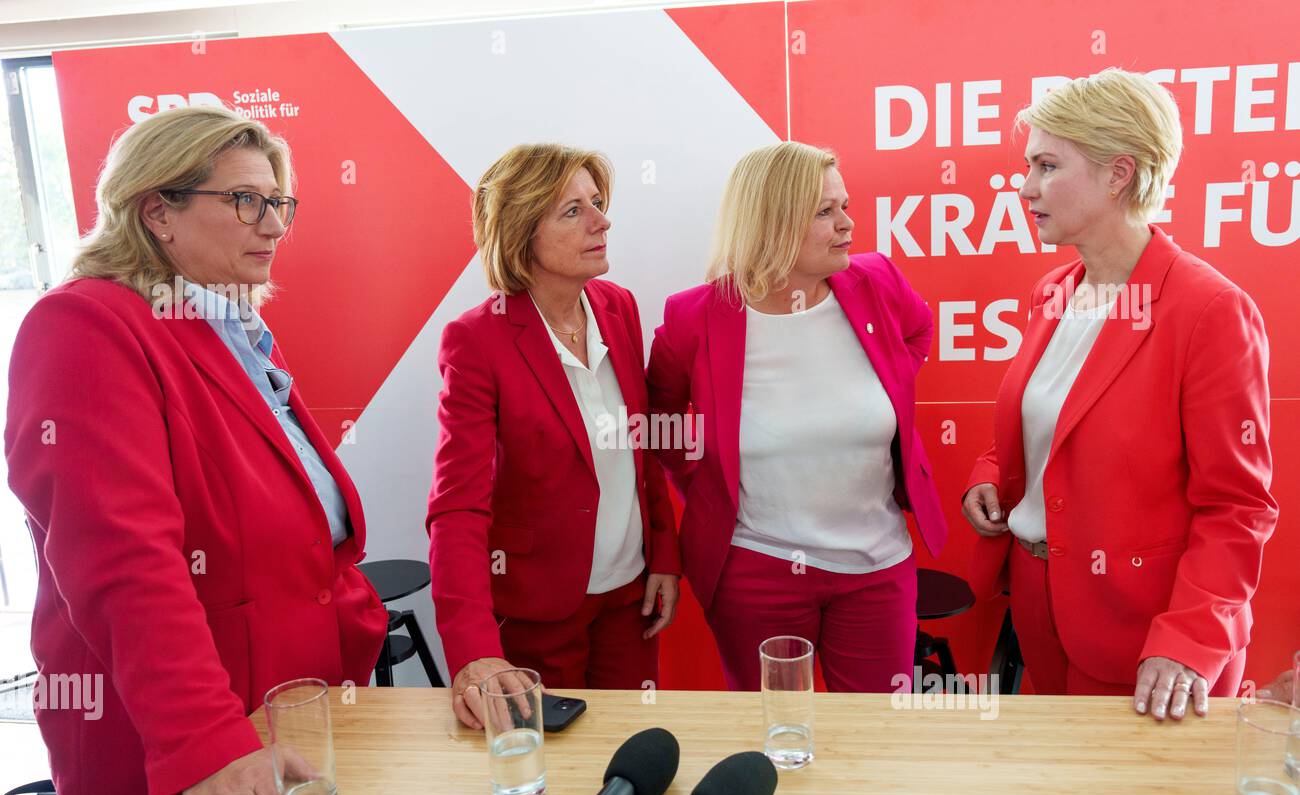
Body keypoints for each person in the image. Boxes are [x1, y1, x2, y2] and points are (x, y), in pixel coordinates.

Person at [4, 106, 388, 795]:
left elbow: (313, 525)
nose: (274, 225)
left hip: (296, 728)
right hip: (196, 758)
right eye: (247, 200)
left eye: (279, 203)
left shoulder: (230, 332)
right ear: (158, 211)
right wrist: (206, 741)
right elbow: (121, 561)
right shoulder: (86, 326)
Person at [961, 68, 1278, 719]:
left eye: (1048, 165)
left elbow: (1237, 506)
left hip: (1149, 648)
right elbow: (1047, 426)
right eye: (1029, 166)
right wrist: (989, 475)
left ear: (1118, 174)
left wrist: (1188, 641)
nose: (1026, 187)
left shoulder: (1209, 310)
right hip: (1038, 610)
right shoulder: (1052, 293)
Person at [646, 142, 947, 692]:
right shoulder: (694, 318)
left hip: (878, 569)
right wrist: (704, 483)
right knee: (775, 741)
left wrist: (887, 389)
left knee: (876, 737)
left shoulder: (876, 281)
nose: (848, 225)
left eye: (845, 206)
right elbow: (658, 420)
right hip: (756, 571)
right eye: (825, 212)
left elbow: (919, 329)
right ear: (773, 223)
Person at [428, 144, 681, 729]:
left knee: (632, 743)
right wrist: (474, 650)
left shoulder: (618, 307)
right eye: (573, 211)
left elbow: (638, 447)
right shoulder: (476, 341)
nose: (602, 221)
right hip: (538, 612)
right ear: (520, 232)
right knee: (554, 771)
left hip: (629, 599)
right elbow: (457, 506)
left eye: (598, 202)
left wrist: (663, 553)